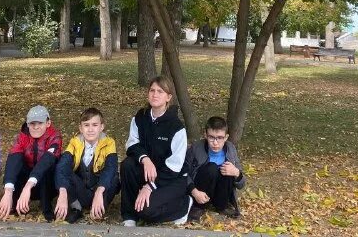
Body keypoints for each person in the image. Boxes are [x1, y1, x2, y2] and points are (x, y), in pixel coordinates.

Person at [120, 76, 192, 227]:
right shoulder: (140, 117)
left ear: (168, 97)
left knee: (146, 211)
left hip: (171, 179)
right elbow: (132, 144)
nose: (155, 94)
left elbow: (175, 167)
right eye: (152, 90)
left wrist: (149, 186)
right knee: (128, 164)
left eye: (160, 91)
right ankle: (129, 215)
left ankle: (184, 204)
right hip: (148, 171)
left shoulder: (177, 128)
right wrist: (145, 159)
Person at [0, 105, 63, 221]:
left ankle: (46, 208)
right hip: (26, 181)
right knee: (16, 158)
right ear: (27, 124)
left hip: (46, 184)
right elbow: (13, 159)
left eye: (40, 123)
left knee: (47, 165)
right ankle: (12, 200)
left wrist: (28, 186)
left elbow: (47, 161)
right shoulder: (22, 136)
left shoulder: (55, 136)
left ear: (48, 123)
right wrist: (7, 190)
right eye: (32, 124)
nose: (36, 127)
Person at [54, 107, 120, 223]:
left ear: (102, 127)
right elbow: (62, 166)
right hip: (81, 190)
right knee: (61, 169)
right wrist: (63, 191)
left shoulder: (109, 143)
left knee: (114, 177)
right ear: (80, 128)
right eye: (86, 125)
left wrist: (99, 191)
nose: (90, 129)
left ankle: (98, 208)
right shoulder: (75, 142)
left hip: (99, 188)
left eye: (94, 125)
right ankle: (76, 207)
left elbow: (111, 168)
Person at [185, 116, 246, 221]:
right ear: (205, 135)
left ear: (226, 137)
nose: (215, 142)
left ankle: (223, 206)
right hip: (200, 191)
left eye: (220, 138)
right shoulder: (196, 148)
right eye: (211, 137)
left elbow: (242, 184)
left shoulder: (230, 149)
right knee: (212, 168)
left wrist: (236, 173)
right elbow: (183, 173)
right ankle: (198, 207)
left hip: (221, 193)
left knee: (227, 167)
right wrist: (194, 191)